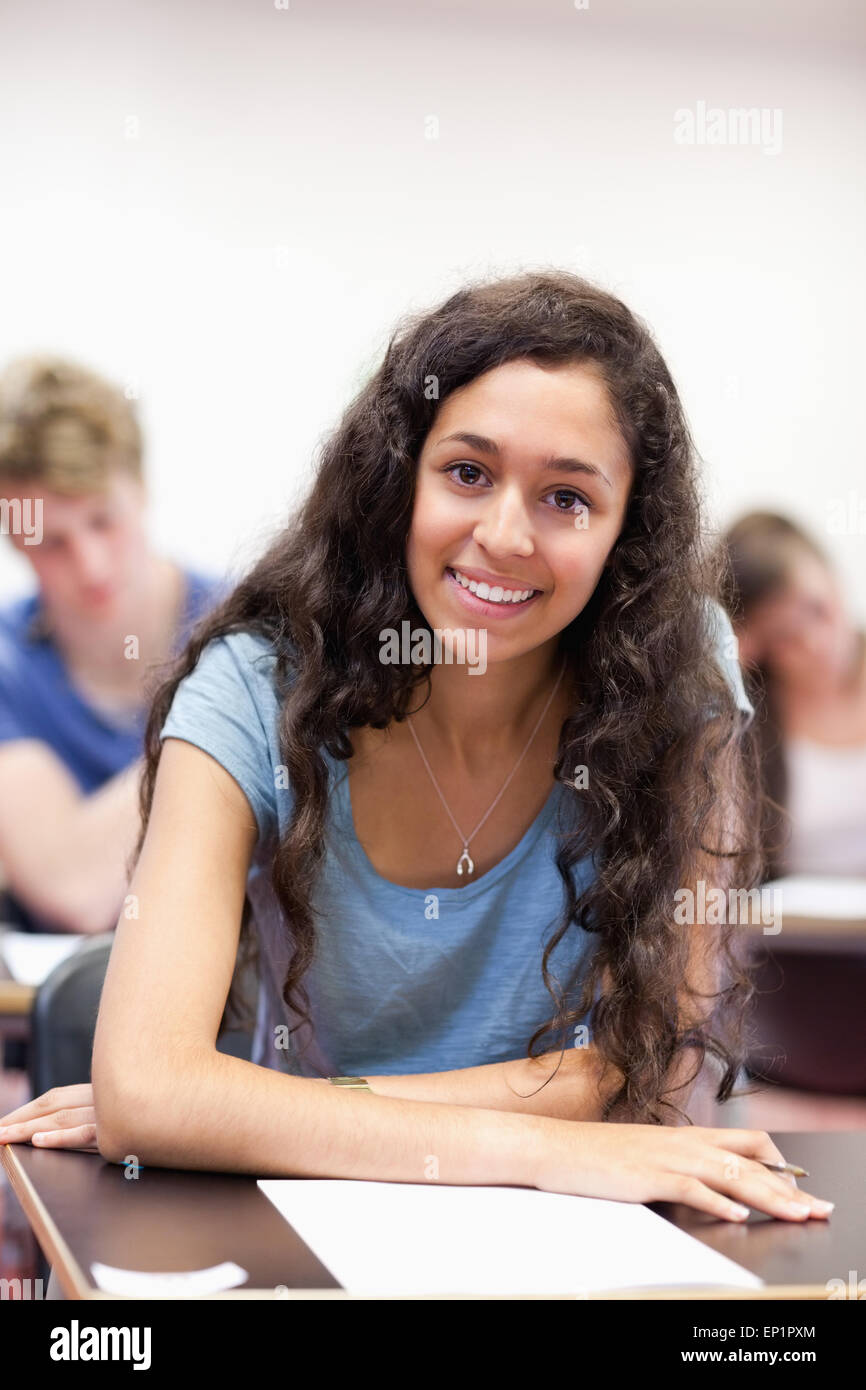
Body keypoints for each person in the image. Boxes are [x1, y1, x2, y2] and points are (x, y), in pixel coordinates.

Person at [0, 274, 834, 1224]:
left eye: (567, 496)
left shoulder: (684, 673)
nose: (504, 536)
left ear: (624, 534)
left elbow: (652, 1077)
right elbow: (151, 1091)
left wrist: (252, 1110)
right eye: (468, 473)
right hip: (303, 1224)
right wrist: (550, 1141)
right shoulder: (255, 681)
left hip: (574, 1235)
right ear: (400, 477)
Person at [0, 356, 226, 933]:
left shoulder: (254, 625)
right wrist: (230, 722)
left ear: (143, 489)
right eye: (52, 542)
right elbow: (72, 891)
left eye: (103, 521)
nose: (91, 566)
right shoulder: (9, 668)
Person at [718, 512, 866, 879]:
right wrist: (725, 665)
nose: (817, 643)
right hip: (791, 932)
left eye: (819, 610)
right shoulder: (749, 716)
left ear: (834, 579)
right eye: (785, 635)